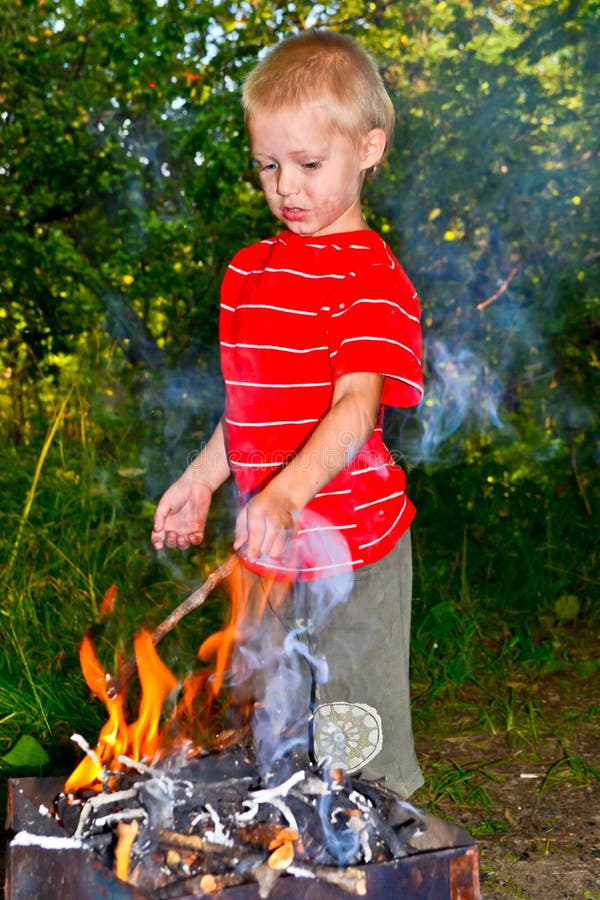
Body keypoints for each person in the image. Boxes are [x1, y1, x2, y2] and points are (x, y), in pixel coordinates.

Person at [151, 29, 424, 797]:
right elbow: (249, 407)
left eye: (308, 165)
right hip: (269, 549)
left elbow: (355, 407)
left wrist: (285, 493)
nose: (287, 188)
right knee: (271, 727)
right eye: (269, 166)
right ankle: (285, 854)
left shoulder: (368, 276)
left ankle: (373, 848)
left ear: (367, 149)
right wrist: (203, 481)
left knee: (349, 733)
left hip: (353, 549)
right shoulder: (250, 272)